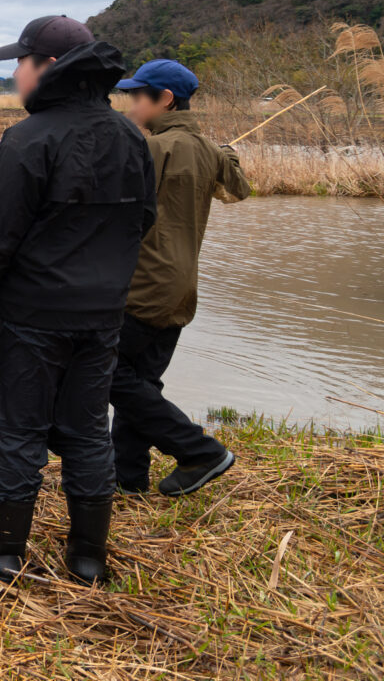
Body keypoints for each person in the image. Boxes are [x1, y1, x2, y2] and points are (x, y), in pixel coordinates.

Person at [0, 15, 156, 585]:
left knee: (17, 429)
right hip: (102, 316)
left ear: (48, 68)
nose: (15, 73)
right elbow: (144, 222)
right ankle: (88, 558)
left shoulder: (28, 139)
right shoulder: (130, 135)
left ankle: (4, 549)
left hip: (30, 317)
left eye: (21, 61)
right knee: (88, 430)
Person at [112, 59, 250, 497]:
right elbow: (238, 189)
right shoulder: (208, 150)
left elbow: (115, 214)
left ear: (165, 99)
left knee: (105, 373)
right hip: (181, 289)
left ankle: (200, 450)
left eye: (138, 95)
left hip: (142, 286)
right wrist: (224, 154)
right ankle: (128, 480)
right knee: (142, 383)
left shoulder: (152, 148)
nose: (131, 103)